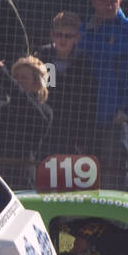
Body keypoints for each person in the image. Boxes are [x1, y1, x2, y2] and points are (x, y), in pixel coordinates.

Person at [77, 0, 128, 190]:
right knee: (86, 177)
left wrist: (127, 113)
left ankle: (123, 223)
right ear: (93, 0)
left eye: (114, 1)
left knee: (116, 178)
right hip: (87, 118)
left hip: (118, 121)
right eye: (103, 1)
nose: (109, 6)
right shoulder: (84, 31)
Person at [0, 56, 54, 187]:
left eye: (24, 78)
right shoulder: (2, 107)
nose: (18, 81)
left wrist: (2, 73)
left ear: (37, 84)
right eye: (16, 77)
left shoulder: (43, 112)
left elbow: (22, 100)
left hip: (22, 178)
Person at [38, 11, 101, 157]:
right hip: (45, 126)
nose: (63, 40)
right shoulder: (43, 55)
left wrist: (82, 139)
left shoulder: (83, 62)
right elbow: (42, 92)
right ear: (52, 35)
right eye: (59, 35)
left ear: (77, 38)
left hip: (72, 130)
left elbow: (87, 102)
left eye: (68, 36)